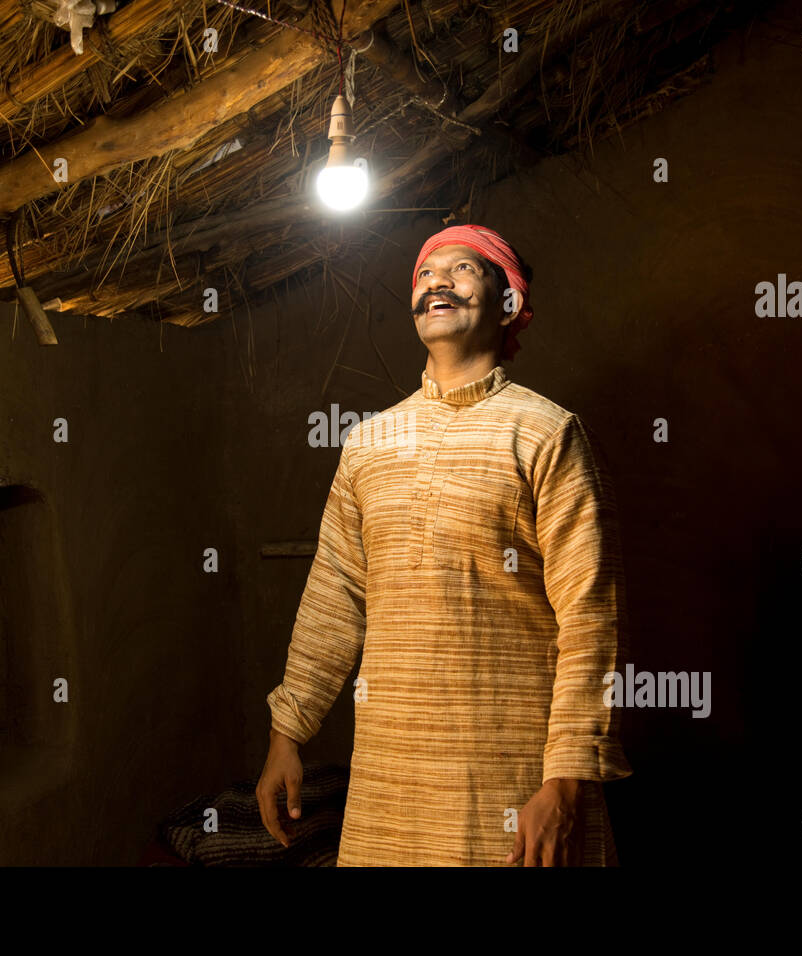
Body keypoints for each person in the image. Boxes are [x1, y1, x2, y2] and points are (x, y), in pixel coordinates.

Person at [257, 224, 633, 866]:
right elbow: (334, 598)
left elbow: (590, 617)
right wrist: (286, 733)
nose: (438, 280)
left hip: (514, 782)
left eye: (464, 269)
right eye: (426, 272)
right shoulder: (366, 446)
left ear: (508, 303)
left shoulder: (546, 434)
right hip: (389, 784)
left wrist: (565, 783)